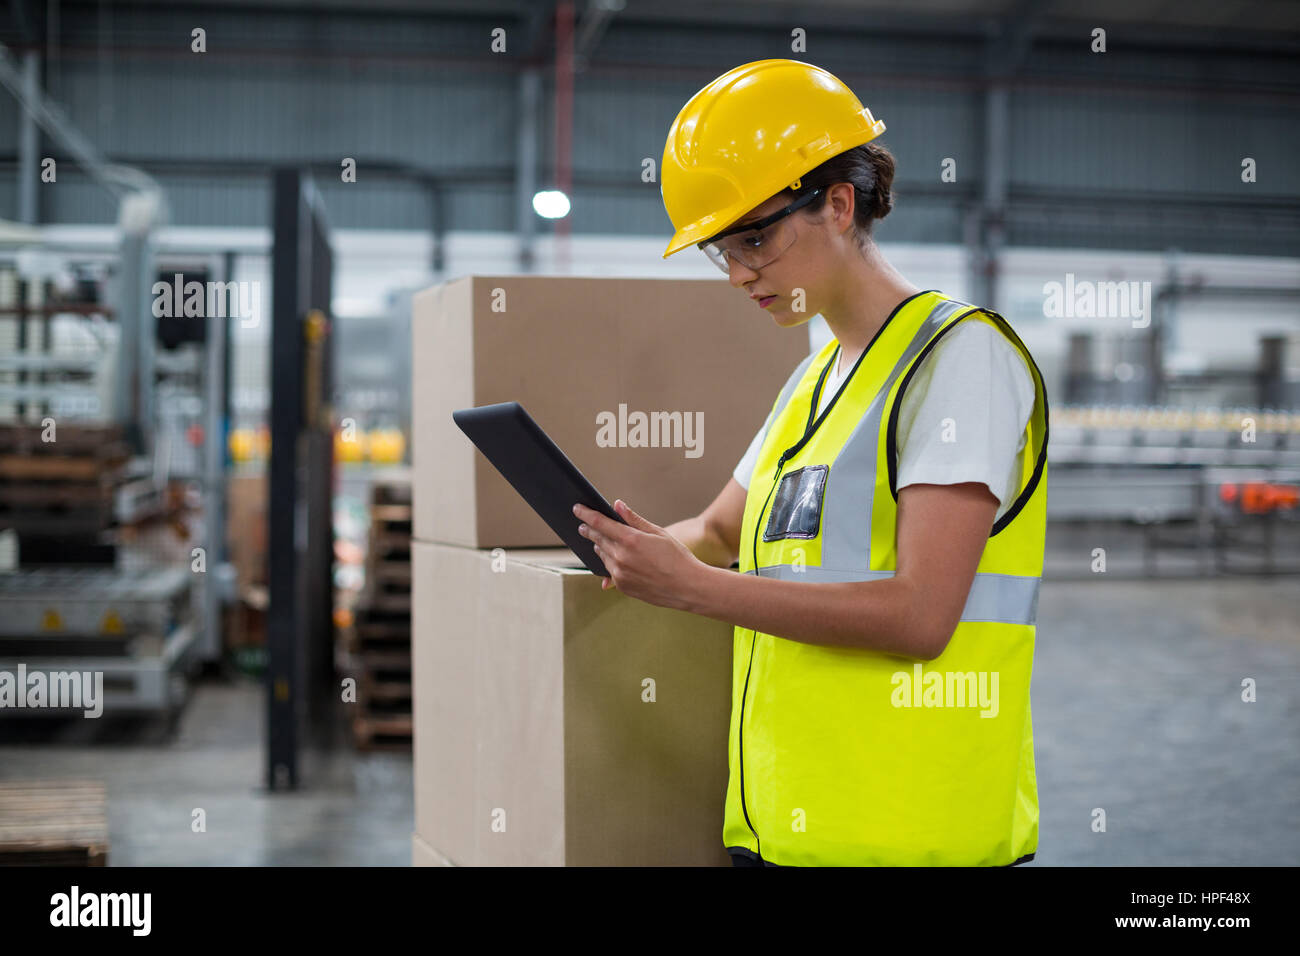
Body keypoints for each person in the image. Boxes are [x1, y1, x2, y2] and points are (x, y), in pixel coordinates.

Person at [573, 59, 1048, 867]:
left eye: (756, 237)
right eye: (721, 250)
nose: (740, 272)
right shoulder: (814, 379)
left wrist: (692, 590)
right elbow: (720, 529)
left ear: (838, 202)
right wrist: (628, 551)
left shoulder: (959, 360)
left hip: (910, 838)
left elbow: (922, 616)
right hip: (784, 830)